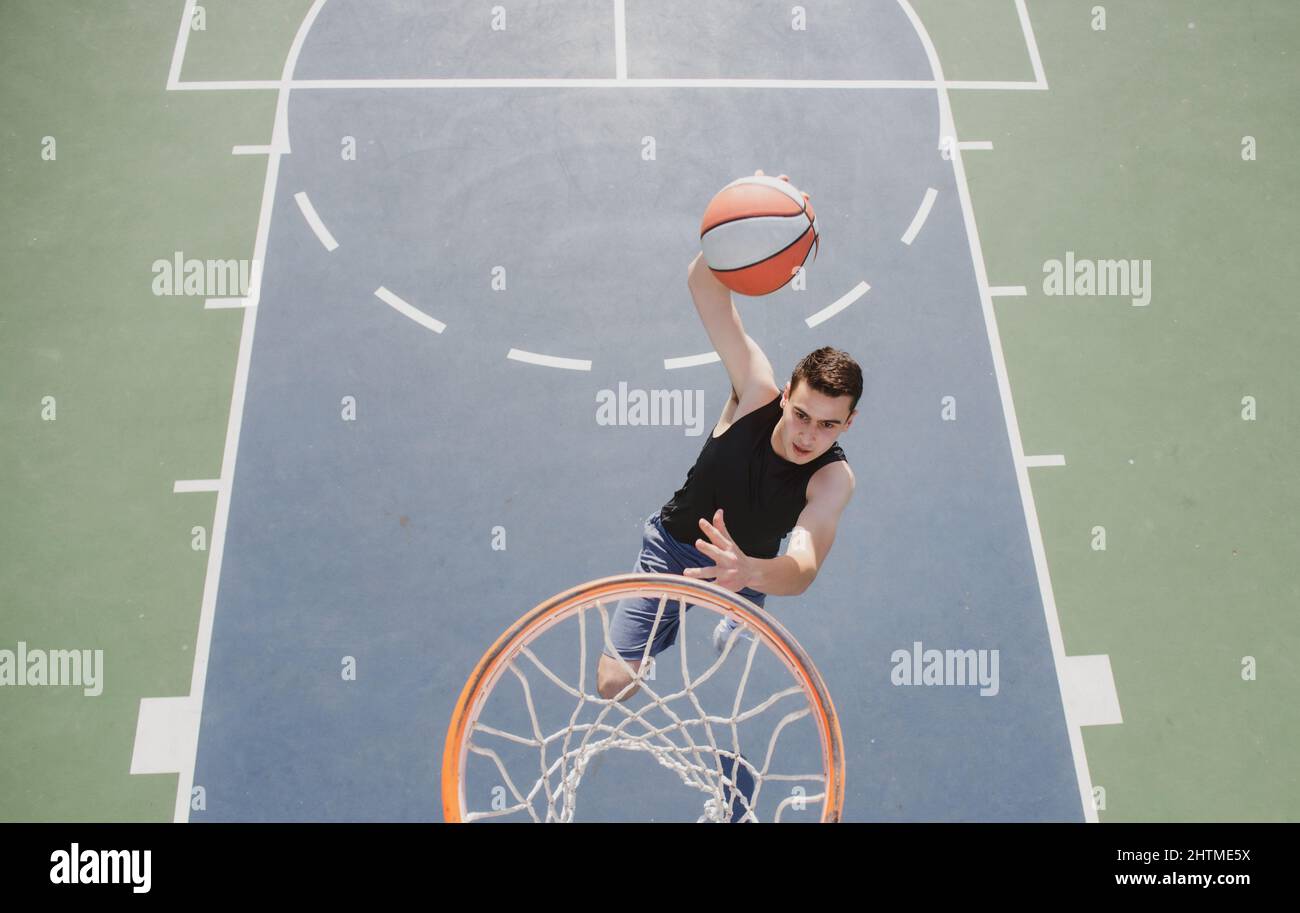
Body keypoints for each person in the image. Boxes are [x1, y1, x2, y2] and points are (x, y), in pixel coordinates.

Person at [597, 175, 861, 703]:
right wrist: (747, 213)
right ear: (787, 395)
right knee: (612, 685)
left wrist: (748, 572)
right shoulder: (755, 391)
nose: (810, 434)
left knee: (752, 587)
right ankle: (664, 626)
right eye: (804, 414)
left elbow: (803, 568)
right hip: (674, 548)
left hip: (752, 568)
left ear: (847, 425)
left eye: (828, 425)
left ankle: (735, 609)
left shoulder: (833, 479)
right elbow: (705, 286)